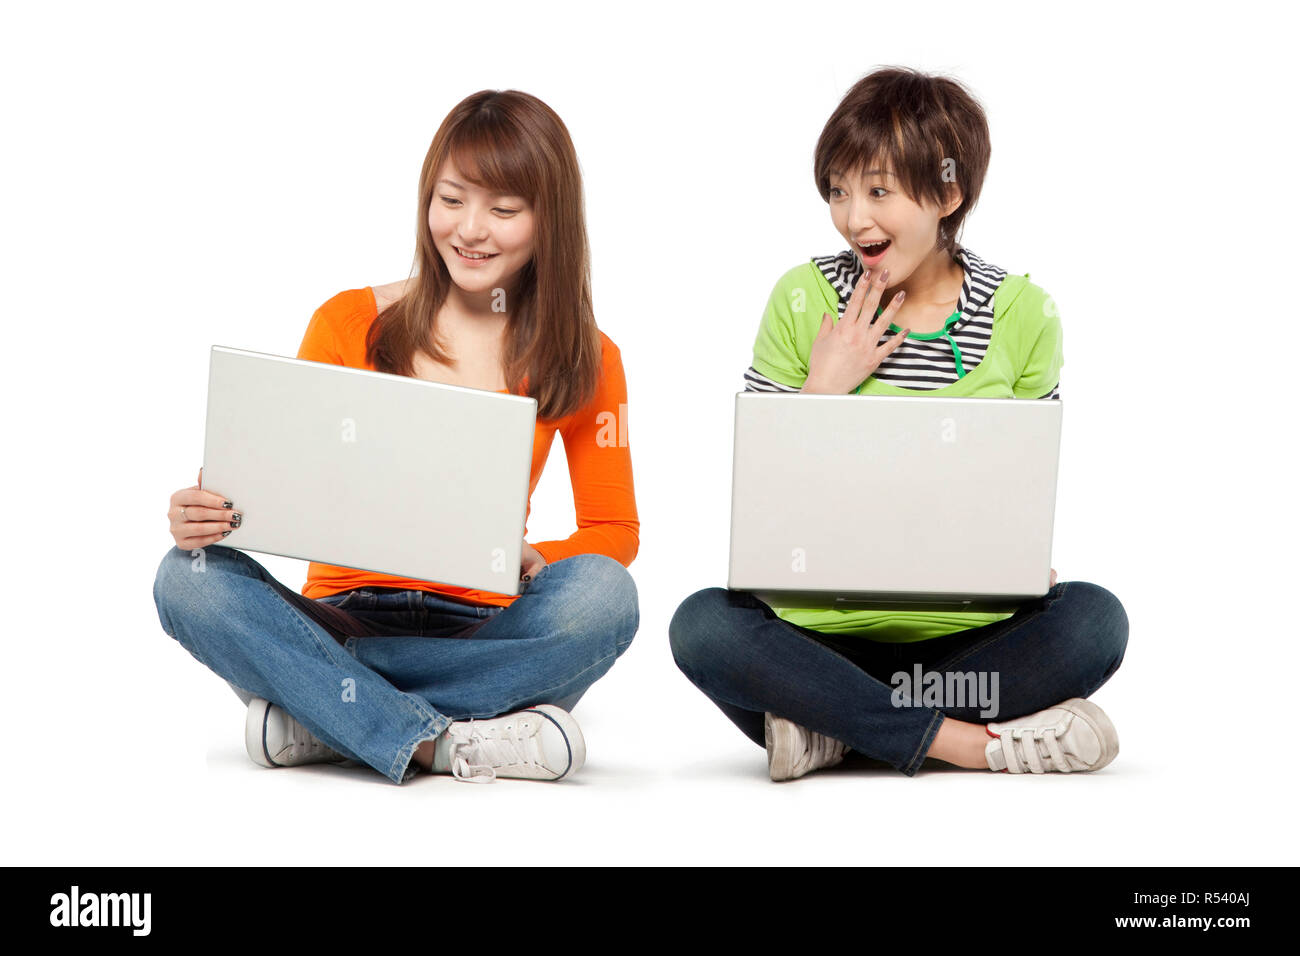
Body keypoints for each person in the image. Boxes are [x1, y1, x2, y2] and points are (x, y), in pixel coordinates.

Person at [153, 90, 640, 785]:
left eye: (503, 210)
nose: (471, 230)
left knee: (605, 596)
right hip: (341, 618)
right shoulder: (349, 321)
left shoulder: (589, 356)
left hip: (485, 626)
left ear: (548, 222)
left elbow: (614, 529)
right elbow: (283, 483)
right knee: (187, 580)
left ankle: (324, 712)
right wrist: (210, 512)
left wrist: (528, 558)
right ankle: (441, 741)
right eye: (451, 200)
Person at [669, 66, 1128, 780]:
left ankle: (834, 729)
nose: (855, 219)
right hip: (816, 639)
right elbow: (766, 509)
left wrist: (1014, 555)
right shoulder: (801, 300)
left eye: (879, 191)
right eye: (839, 191)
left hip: (965, 645)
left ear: (948, 194)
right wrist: (823, 388)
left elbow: (1020, 491)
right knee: (702, 626)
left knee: (1095, 620)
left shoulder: (1022, 316)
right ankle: (970, 744)